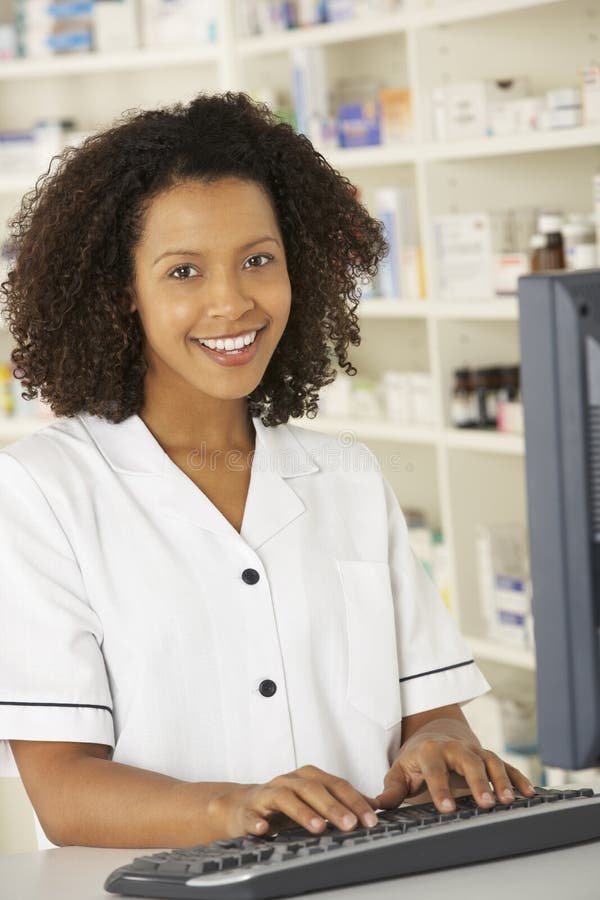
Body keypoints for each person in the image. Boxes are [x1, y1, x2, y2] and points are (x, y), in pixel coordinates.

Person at [0, 91, 535, 851]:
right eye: (183, 271)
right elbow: (63, 790)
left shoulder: (347, 477)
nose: (232, 302)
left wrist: (436, 748)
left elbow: (431, 709)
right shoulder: (42, 492)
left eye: (259, 260)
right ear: (124, 293)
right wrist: (235, 808)